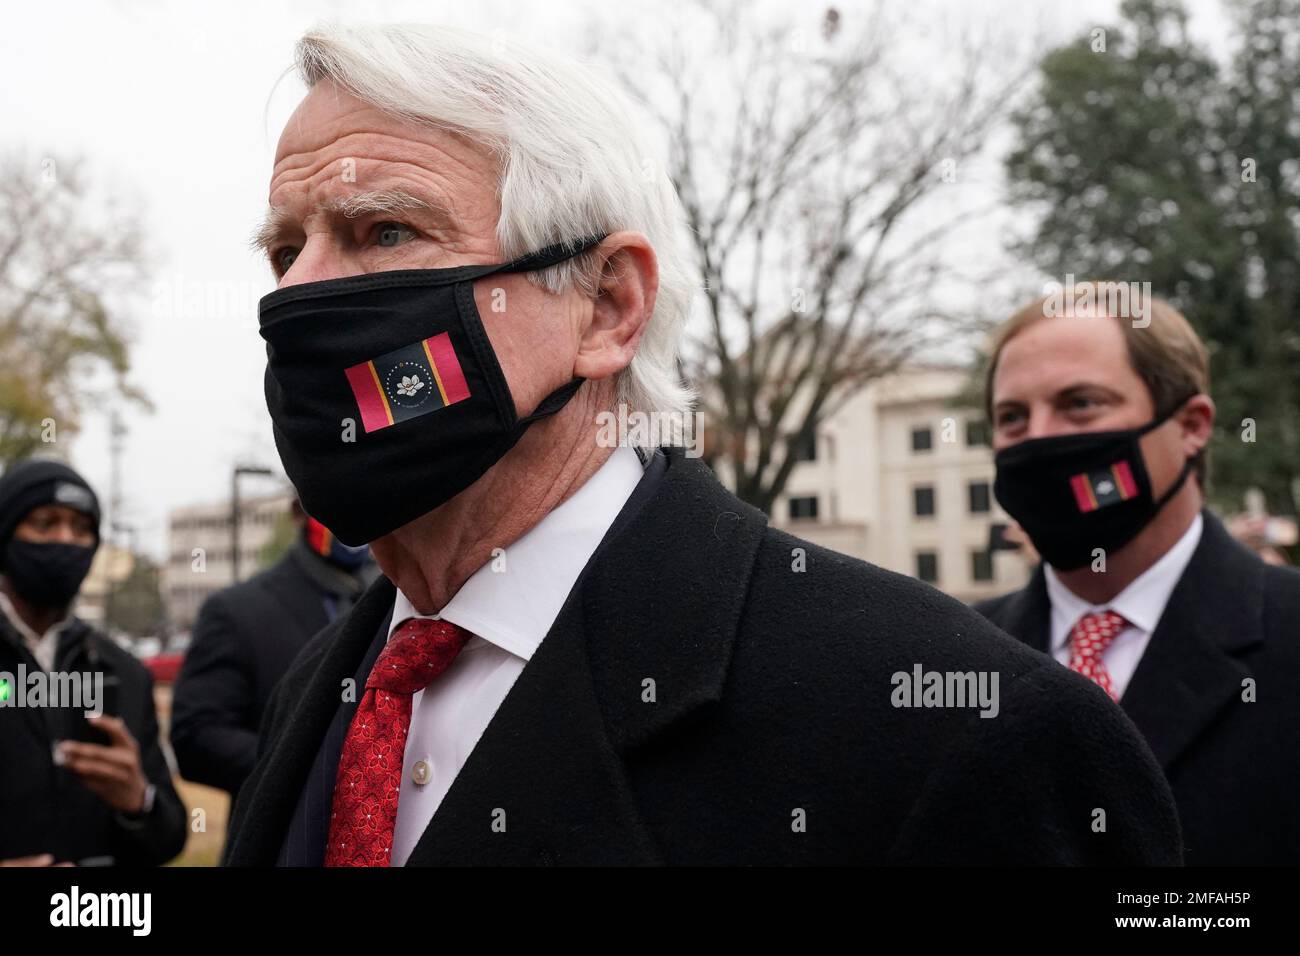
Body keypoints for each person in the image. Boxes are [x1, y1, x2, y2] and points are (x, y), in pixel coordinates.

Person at [223, 23, 1181, 866]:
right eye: (284, 250)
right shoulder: (321, 689)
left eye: (385, 232)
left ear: (606, 306)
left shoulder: (965, 738)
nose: (297, 296)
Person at [974, 291, 1300, 865]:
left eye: (1080, 404)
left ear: (1192, 425)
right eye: (1012, 418)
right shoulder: (958, 654)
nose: (1039, 439)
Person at [0, 459, 187, 866]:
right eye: (45, 524)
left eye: (82, 529)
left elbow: (170, 838)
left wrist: (140, 801)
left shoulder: (124, 673)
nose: (65, 540)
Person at [172, 503, 376, 797]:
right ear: (298, 511)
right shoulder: (237, 610)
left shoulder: (402, 599)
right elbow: (195, 737)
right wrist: (314, 766)